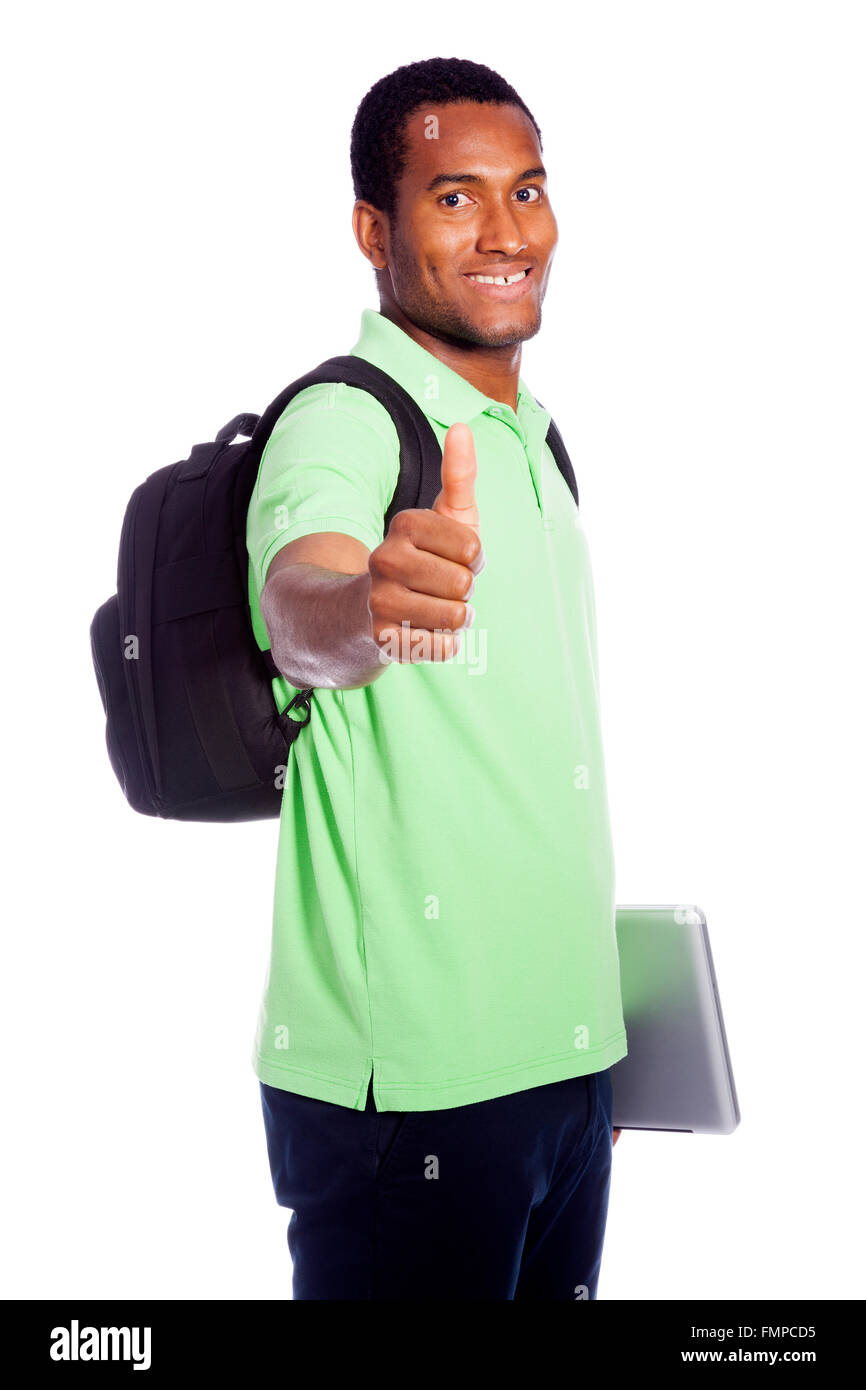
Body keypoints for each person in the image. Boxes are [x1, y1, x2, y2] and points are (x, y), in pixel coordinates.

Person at [247, 55, 626, 1301]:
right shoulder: (347, 421)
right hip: (409, 1097)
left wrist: (587, 1056)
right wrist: (361, 604)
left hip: (560, 1072)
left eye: (525, 190)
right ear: (374, 230)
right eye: (454, 199)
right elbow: (297, 609)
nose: (507, 232)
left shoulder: (533, 439)